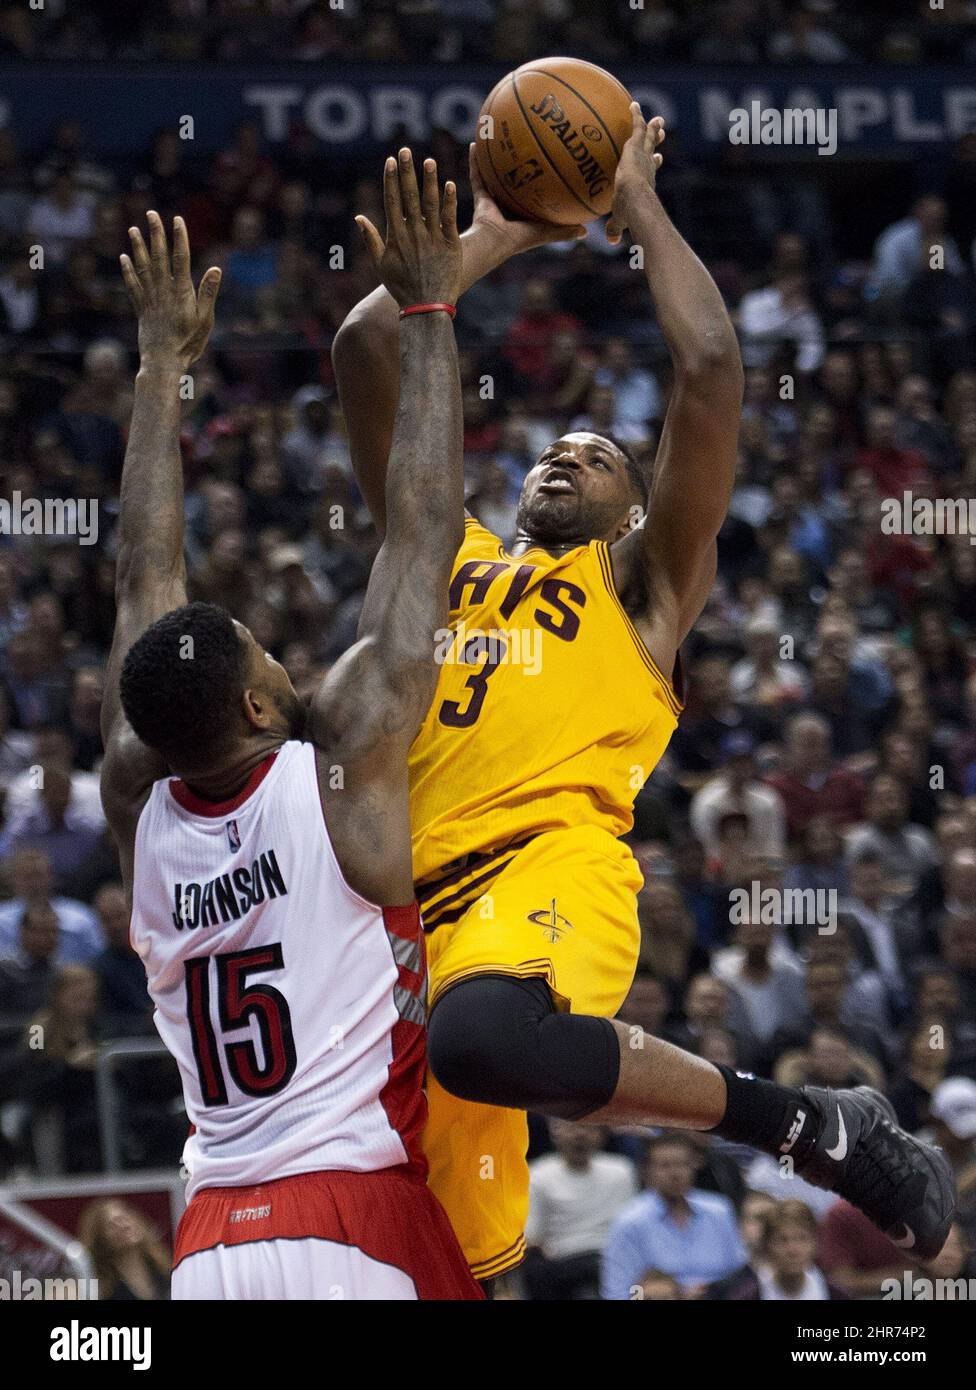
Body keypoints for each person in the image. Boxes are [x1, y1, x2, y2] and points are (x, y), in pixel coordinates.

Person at [334, 110, 954, 1281]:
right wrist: (502, 232)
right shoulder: (439, 551)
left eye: (599, 454)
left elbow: (711, 368)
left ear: (634, 506)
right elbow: (374, 337)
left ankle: (811, 1124)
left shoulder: (641, 588)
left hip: (546, 867)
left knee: (483, 1040)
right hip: (402, 917)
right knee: (440, 1251)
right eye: (550, 447)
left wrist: (635, 208)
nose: (564, 456)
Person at [97, 170, 480, 1300]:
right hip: (352, 1213)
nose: (286, 658)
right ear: (261, 708)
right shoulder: (339, 766)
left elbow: (139, 581)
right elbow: (424, 537)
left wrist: (160, 366)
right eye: (268, 653)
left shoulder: (136, 797)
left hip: (209, 1238)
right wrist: (429, 310)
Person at [600, 1134, 746, 1298]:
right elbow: (618, 1292)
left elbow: (741, 1273)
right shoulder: (630, 1222)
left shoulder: (719, 1210)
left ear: (695, 1165)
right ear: (647, 1170)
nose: (675, 1173)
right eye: (665, 1166)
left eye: (683, 1164)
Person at [523, 1120, 637, 1300]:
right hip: (562, 1263)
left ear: (602, 1135)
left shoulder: (621, 1171)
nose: (580, 1135)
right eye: (572, 1128)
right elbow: (532, 1237)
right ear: (555, 1132)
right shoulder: (538, 1174)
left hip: (609, 1258)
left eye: (588, 1128)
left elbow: (632, 1226)